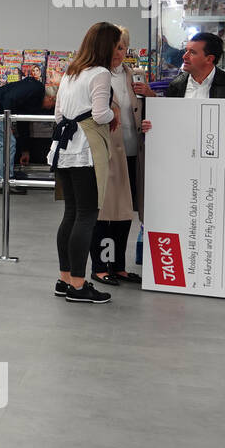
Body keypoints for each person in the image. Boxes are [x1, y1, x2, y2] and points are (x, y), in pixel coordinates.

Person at [49, 21, 121, 304]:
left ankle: (65, 279)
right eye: (116, 46)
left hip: (63, 148)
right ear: (106, 46)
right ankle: (79, 286)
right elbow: (101, 114)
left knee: (71, 213)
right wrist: (115, 114)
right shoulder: (101, 73)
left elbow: (58, 114)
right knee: (87, 216)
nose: (119, 51)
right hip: (86, 148)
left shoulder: (71, 71)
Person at [89, 26, 144, 286]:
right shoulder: (95, 75)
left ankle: (119, 266)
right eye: (113, 47)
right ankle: (100, 267)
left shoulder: (132, 75)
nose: (117, 53)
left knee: (124, 212)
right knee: (103, 212)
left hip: (133, 152)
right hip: (106, 154)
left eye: (122, 47)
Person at [138, 32, 225, 146]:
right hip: (183, 153)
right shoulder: (176, 85)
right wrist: (152, 126)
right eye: (186, 51)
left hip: (218, 156)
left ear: (209, 59)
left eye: (192, 52)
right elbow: (170, 123)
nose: (184, 56)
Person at [0, 75, 55, 188]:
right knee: (8, 142)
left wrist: (25, 150)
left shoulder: (31, 98)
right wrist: (9, 123)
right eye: (52, 106)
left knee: (2, 143)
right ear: (51, 98)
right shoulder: (36, 87)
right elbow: (9, 98)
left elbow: (23, 124)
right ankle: (6, 182)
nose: (48, 109)